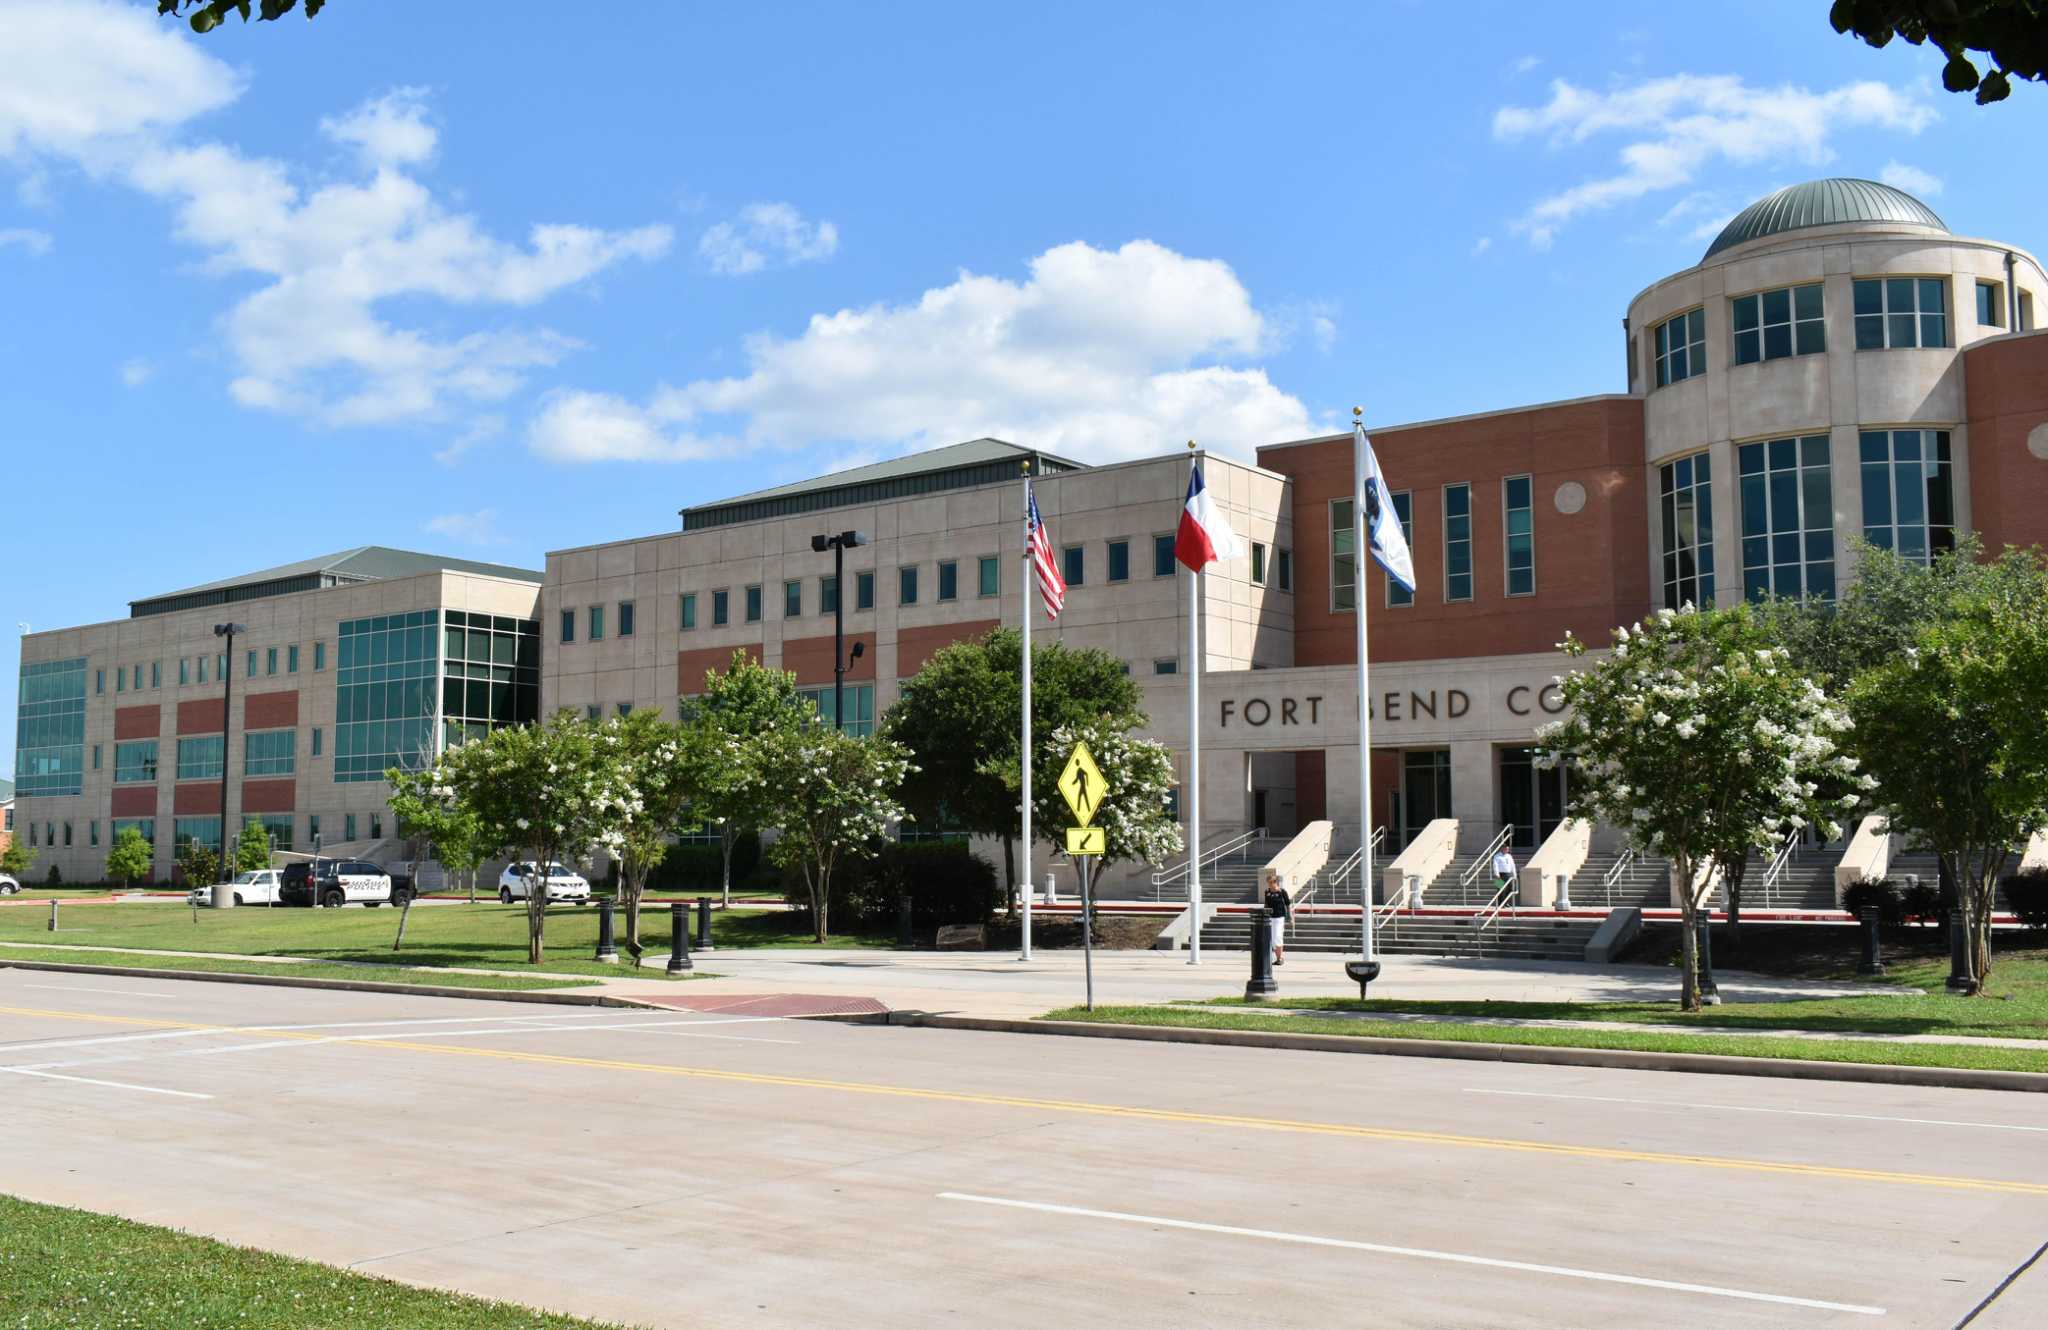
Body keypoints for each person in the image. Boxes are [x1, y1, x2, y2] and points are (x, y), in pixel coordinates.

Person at [1262, 870, 1291, 965]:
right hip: (1270, 917)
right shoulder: (1267, 892)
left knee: (1277, 937)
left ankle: (1280, 958)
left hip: (1279, 917)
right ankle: (1278, 958)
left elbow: (1287, 905)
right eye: (1268, 883)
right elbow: (1266, 904)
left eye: (1271, 883)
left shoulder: (1282, 892)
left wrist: (1290, 916)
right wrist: (1264, 914)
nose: (1269, 885)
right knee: (1272, 939)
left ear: (1275, 882)